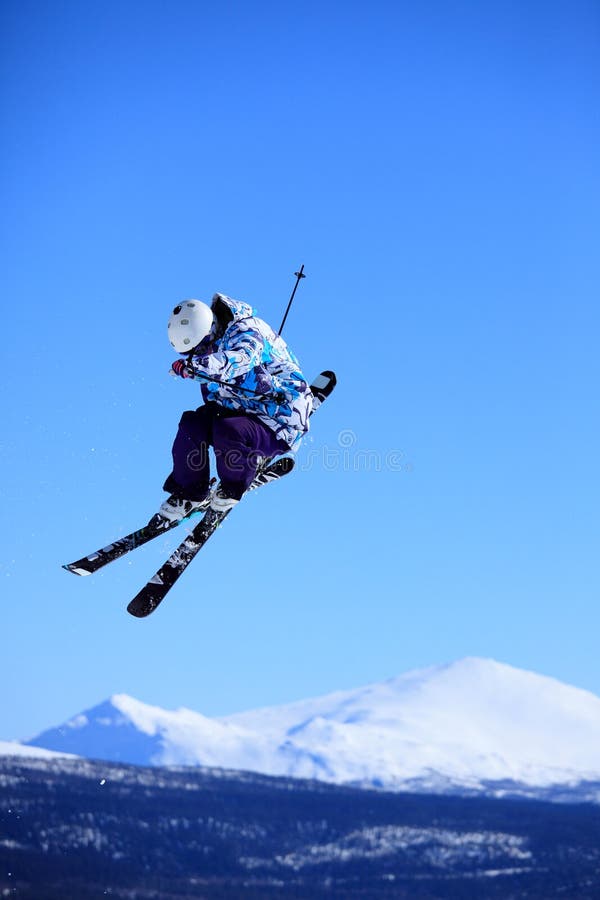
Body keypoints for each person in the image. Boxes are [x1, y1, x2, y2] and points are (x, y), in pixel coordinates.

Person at [156, 292, 312, 524]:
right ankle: (190, 491)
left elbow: (240, 360)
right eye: (191, 353)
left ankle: (233, 485)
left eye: (201, 347)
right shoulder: (207, 358)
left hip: (279, 418)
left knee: (229, 430)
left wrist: (196, 366)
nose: (199, 354)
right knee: (191, 424)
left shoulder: (247, 330)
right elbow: (214, 402)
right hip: (243, 413)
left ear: (211, 331)